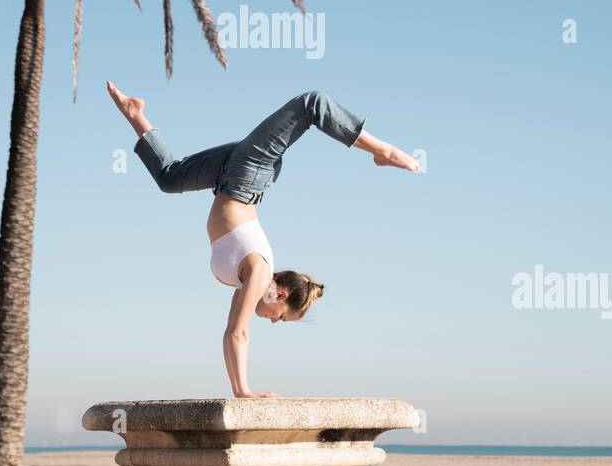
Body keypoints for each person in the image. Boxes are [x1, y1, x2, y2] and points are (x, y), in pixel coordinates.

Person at [107, 84, 420, 399]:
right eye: (282, 316)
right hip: (248, 172)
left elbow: (232, 331)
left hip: (229, 176)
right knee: (311, 105)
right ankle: (383, 150)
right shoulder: (258, 271)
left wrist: (239, 389)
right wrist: (244, 391)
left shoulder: (248, 283)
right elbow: (238, 333)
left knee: (169, 178)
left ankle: (135, 113)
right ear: (280, 294)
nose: (274, 322)